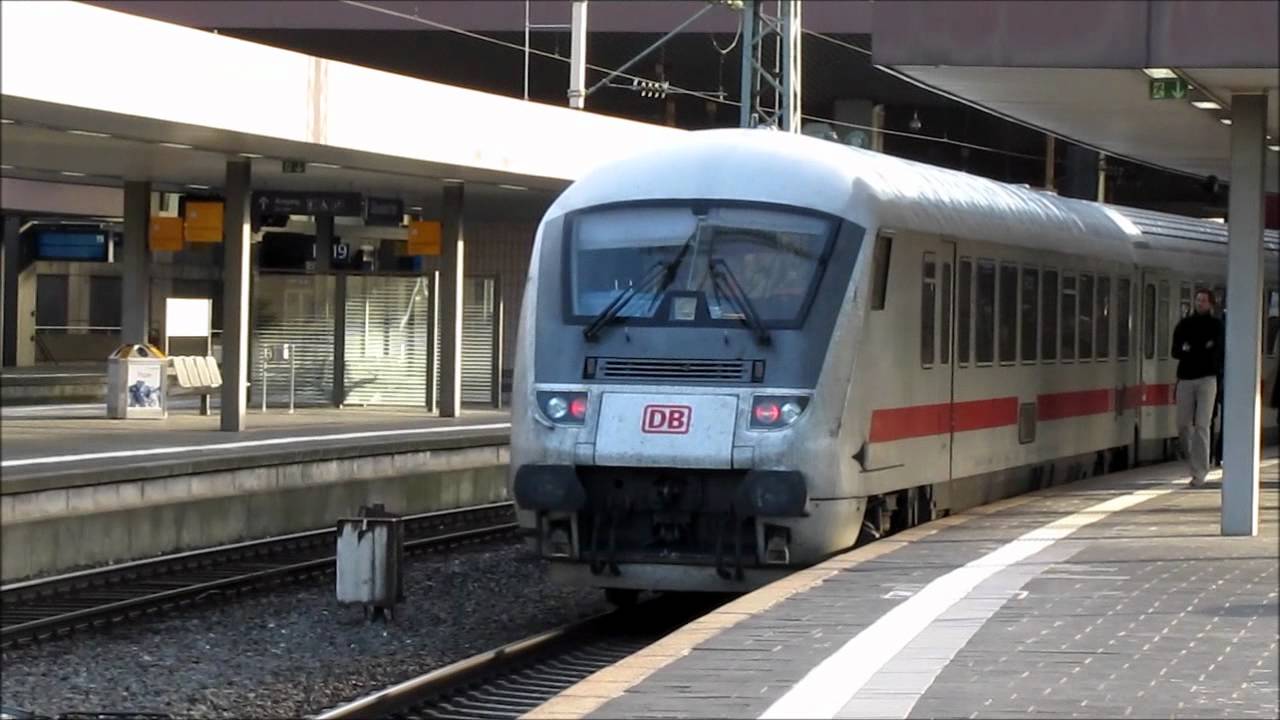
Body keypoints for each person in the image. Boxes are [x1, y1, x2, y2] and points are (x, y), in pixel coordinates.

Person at [1171, 289, 1224, 487]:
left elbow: (1217, 351)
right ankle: (1194, 462)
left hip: (1208, 380)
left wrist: (1191, 350)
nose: (1199, 303)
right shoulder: (1184, 325)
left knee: (1202, 424)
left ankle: (1199, 472)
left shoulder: (1216, 326)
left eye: (1203, 300)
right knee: (1183, 424)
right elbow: (1176, 350)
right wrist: (1202, 348)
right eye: (1198, 300)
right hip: (1185, 378)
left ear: (1210, 304)